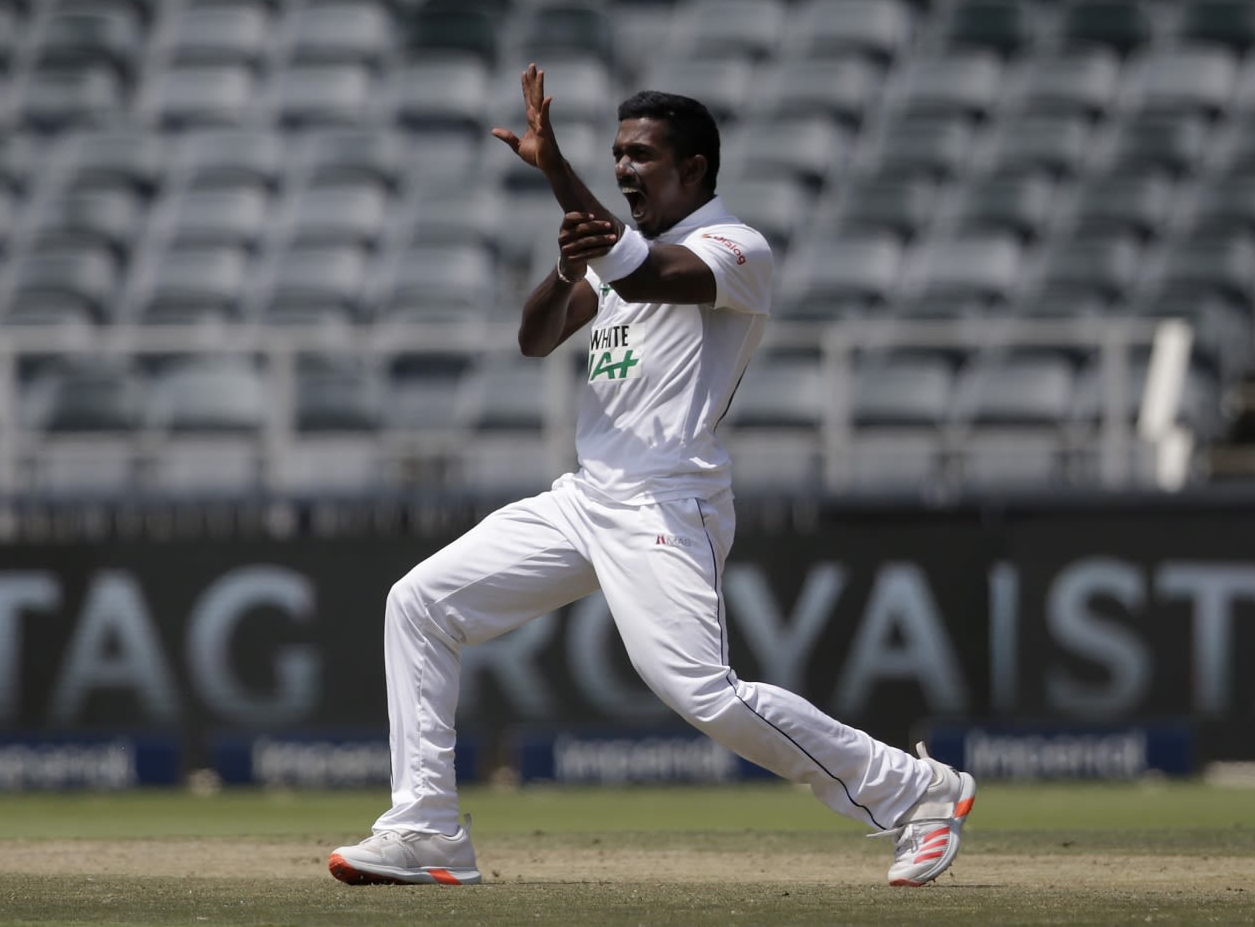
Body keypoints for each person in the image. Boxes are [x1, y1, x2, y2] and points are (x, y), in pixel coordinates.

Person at [328, 64, 976, 889]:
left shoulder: (736, 248)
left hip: (669, 497)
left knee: (702, 692)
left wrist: (560, 174)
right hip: (586, 496)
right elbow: (534, 339)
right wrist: (568, 266)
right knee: (419, 601)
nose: (625, 169)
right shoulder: (612, 252)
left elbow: (645, 274)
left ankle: (918, 792)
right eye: (616, 155)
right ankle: (426, 829)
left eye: (642, 156)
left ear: (695, 168)